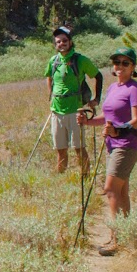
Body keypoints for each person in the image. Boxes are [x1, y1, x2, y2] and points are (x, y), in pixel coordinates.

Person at [84, 45, 137, 256]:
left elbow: (136, 121)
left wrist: (116, 130)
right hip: (113, 145)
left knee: (110, 189)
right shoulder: (113, 88)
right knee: (121, 191)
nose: (119, 66)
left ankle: (116, 238)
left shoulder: (134, 89)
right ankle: (126, 234)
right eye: (116, 62)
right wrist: (88, 121)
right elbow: (106, 118)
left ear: (133, 67)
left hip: (126, 145)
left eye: (125, 63)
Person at [45, 25, 102, 177]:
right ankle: (60, 179)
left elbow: (98, 76)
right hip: (57, 110)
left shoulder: (80, 60)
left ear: (70, 42)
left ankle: (86, 178)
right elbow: (49, 77)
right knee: (60, 149)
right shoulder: (53, 61)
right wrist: (51, 96)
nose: (61, 44)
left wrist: (96, 99)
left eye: (64, 41)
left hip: (76, 110)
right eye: (58, 42)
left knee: (79, 148)